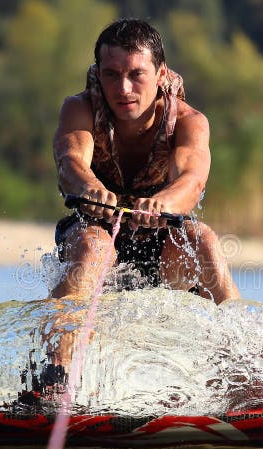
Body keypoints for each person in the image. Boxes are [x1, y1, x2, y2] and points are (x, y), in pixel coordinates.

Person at [51, 18, 240, 306]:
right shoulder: (79, 109)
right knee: (93, 246)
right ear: (98, 75)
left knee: (205, 241)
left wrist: (162, 203)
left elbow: (192, 181)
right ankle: (61, 345)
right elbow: (69, 161)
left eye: (136, 74)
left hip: (164, 245)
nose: (124, 89)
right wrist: (89, 186)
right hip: (94, 234)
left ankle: (241, 343)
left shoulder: (189, 122)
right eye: (111, 75)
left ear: (160, 73)